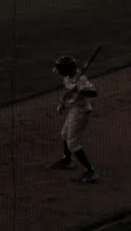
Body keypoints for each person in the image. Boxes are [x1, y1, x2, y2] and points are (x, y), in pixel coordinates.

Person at [51, 54, 99, 183]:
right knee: (64, 134)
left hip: (82, 111)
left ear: (66, 69)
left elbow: (94, 92)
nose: (59, 72)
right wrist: (61, 103)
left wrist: (79, 90)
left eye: (60, 70)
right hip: (74, 109)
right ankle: (67, 161)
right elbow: (67, 93)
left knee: (73, 143)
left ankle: (91, 171)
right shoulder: (67, 78)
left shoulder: (81, 79)